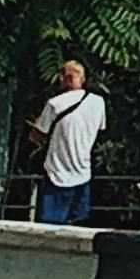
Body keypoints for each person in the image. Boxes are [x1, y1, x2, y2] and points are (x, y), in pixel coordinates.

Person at [30, 60, 106, 224]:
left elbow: (36, 136)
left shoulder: (54, 104)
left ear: (62, 78)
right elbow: (99, 128)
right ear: (83, 79)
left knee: (49, 227)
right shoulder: (98, 102)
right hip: (83, 173)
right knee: (77, 227)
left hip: (56, 173)